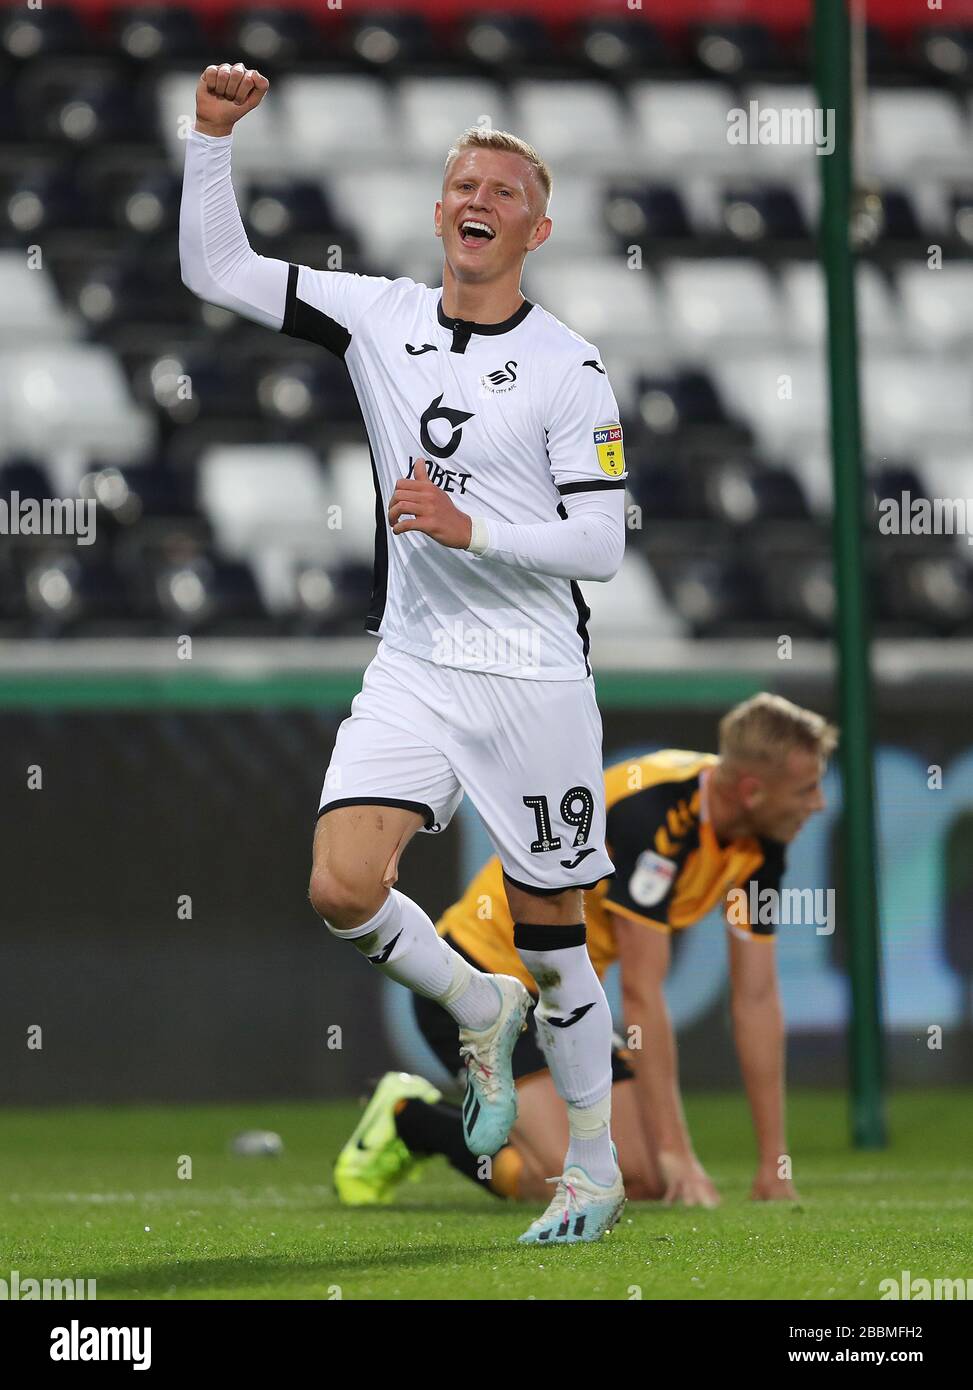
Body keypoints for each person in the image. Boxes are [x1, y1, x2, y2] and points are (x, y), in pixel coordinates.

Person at [180, 63, 630, 1243]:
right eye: (461, 183)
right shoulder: (376, 316)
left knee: (555, 939)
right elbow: (216, 270)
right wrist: (211, 137)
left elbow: (601, 544)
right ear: (439, 213)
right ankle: (471, 1004)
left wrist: (465, 522)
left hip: (533, 679)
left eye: (503, 189)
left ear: (537, 225)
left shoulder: (568, 367)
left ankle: (592, 1166)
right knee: (341, 885)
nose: (477, 198)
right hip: (420, 660)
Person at [335, 693, 837, 1210]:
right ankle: (412, 1119)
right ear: (753, 791)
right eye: (807, 788)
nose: (818, 803)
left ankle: (474, 1126)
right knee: (563, 1179)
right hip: (478, 979)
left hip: (559, 996)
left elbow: (755, 998)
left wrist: (773, 1164)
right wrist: (678, 1151)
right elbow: (643, 994)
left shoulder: (763, 841)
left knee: (642, 1181)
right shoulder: (658, 817)